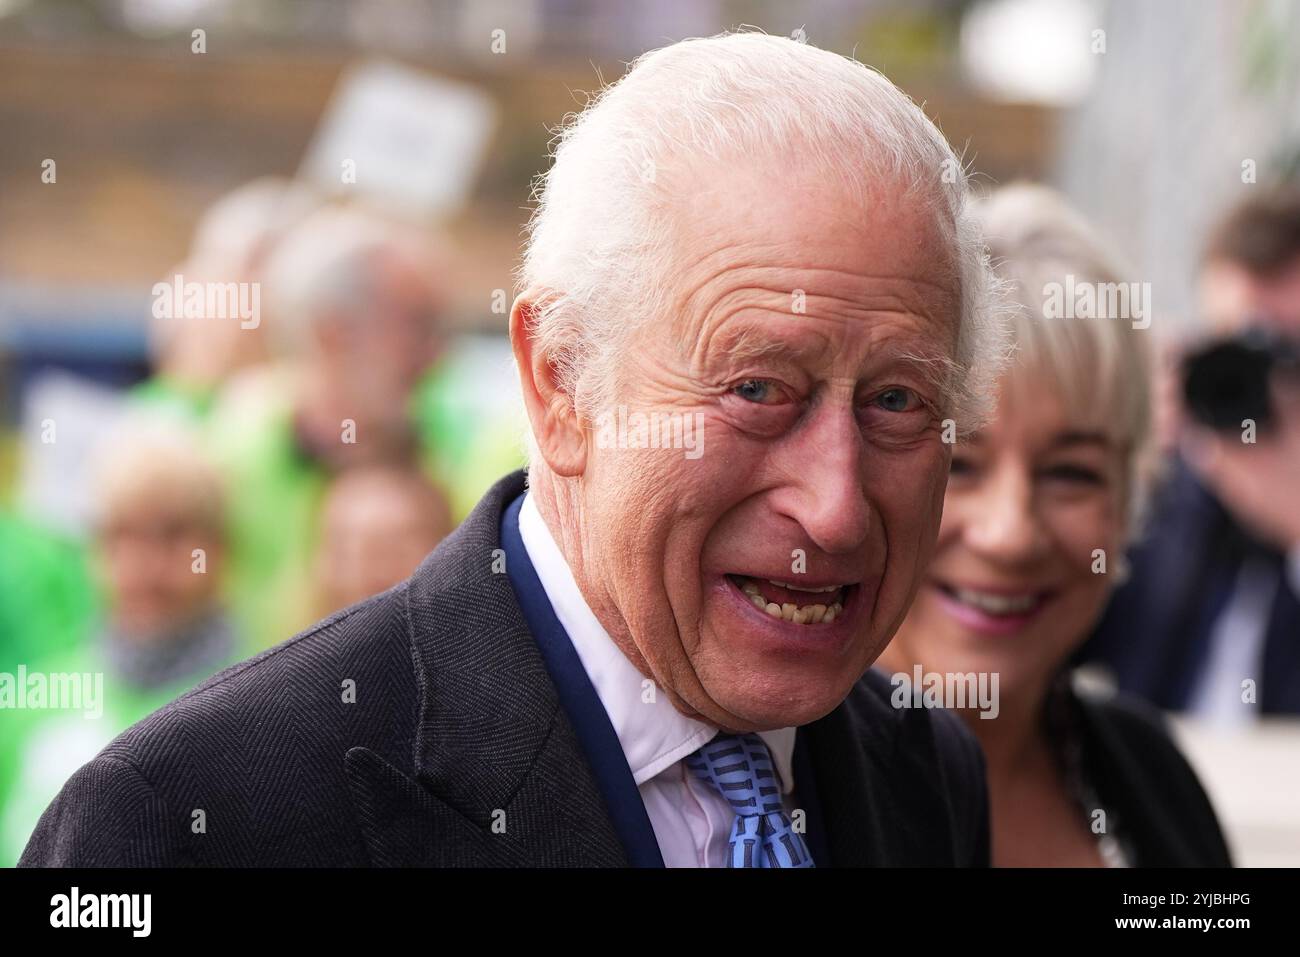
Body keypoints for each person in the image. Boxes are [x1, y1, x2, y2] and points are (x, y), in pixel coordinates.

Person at [21, 32, 1002, 868]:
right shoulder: (187, 824)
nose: (832, 506)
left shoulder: (924, 772)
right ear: (561, 384)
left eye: (896, 401)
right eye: (756, 390)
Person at [877, 184, 1231, 867]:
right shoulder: (768, 785)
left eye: (1071, 473)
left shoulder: (1151, 774)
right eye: (962, 465)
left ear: (1131, 496)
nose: (1010, 534)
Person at [1082, 186, 1300, 720]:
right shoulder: (1166, 508)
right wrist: (1114, 459)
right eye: (1236, 353)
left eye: (1289, 356)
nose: (1266, 389)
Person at [2, 420, 240, 863]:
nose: (146, 566)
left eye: (173, 535)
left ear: (221, 548)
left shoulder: (263, 705)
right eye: (123, 536)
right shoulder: (30, 703)